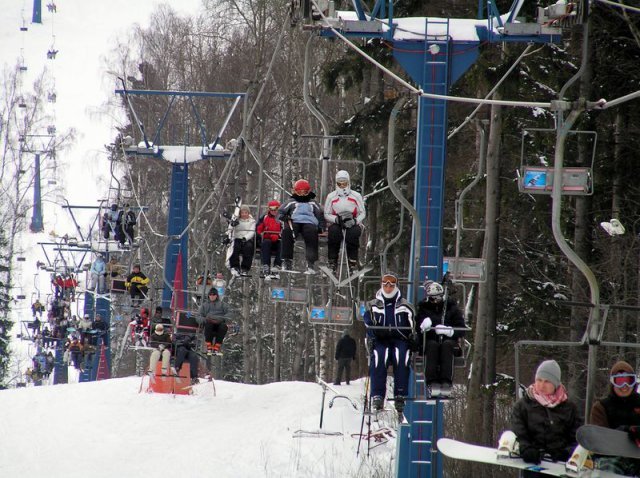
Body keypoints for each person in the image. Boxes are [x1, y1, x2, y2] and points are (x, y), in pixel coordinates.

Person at [511, 360, 581, 476]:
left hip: (559, 466)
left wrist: (566, 453)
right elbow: (518, 432)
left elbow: (577, 437)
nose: (542, 385)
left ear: (555, 384)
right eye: (539, 380)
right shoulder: (523, 405)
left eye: (547, 381)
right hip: (532, 464)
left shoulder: (569, 408)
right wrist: (526, 448)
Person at [363, 272, 415, 413]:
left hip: (400, 339)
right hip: (381, 339)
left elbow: (412, 325)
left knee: (401, 355)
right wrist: (374, 333)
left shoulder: (405, 306)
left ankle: (400, 394)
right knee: (380, 355)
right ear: (381, 284)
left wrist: (412, 337)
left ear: (396, 285)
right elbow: (367, 322)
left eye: (392, 283)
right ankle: (377, 395)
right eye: (385, 282)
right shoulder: (373, 305)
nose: (388, 286)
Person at [415, 279, 466, 397]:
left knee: (447, 346)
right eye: (433, 298)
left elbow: (461, 329)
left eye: (438, 297)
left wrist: (450, 331)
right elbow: (418, 328)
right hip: (430, 341)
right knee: (432, 346)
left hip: (449, 342)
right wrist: (423, 327)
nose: (435, 300)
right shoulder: (424, 308)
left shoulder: (451, 308)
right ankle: (432, 382)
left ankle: (446, 381)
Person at [589, 360, 640, 475]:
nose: (624, 386)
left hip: (638, 456)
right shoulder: (601, 407)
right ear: (613, 383)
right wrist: (622, 433)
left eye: (629, 381)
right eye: (620, 382)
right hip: (612, 458)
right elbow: (599, 441)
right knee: (608, 469)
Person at [278, 179, 325, 274]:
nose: (302, 195)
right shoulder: (291, 202)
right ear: (295, 191)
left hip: (309, 222)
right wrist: (284, 217)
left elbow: (320, 214)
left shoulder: (312, 203)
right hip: (294, 221)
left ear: (308, 192)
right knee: (287, 232)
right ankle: (287, 260)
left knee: (311, 232)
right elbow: (280, 212)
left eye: (305, 193)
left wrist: (321, 226)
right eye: (299, 192)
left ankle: (310, 262)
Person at [324, 170, 366, 272]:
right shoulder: (331, 196)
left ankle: (353, 262)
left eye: (344, 183)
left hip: (353, 221)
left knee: (353, 234)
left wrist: (355, 221)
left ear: (348, 182)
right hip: (338, 222)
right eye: (340, 183)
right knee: (333, 233)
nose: (342, 185)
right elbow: (326, 213)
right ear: (336, 183)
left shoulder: (356, 196)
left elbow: (363, 212)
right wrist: (336, 219)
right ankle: (332, 261)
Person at [256, 200, 283, 278]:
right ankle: (266, 265)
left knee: (282, 244)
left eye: (276, 209)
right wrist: (261, 232)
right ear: (269, 210)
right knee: (266, 242)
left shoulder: (282, 218)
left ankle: (277, 265)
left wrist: (278, 235)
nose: (274, 211)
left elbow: (286, 230)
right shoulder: (265, 217)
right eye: (272, 209)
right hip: (267, 239)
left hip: (278, 240)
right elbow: (259, 229)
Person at [197, 288, 229, 355]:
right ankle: (209, 346)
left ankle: (217, 347)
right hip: (209, 322)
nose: (212, 296)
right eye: (210, 295)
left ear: (216, 295)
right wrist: (204, 320)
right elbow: (199, 316)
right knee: (208, 325)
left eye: (213, 294)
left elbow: (229, 313)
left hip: (219, 323)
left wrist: (223, 319)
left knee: (223, 327)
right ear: (208, 295)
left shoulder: (222, 304)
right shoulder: (204, 305)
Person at [227, 205, 256, 277]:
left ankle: (245, 268)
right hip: (237, 238)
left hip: (246, 238)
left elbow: (252, 231)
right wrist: (232, 223)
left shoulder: (252, 221)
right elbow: (230, 229)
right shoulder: (237, 220)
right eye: (242, 213)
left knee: (248, 248)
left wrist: (245, 238)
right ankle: (234, 266)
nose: (244, 214)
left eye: (246, 212)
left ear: (248, 213)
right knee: (234, 247)